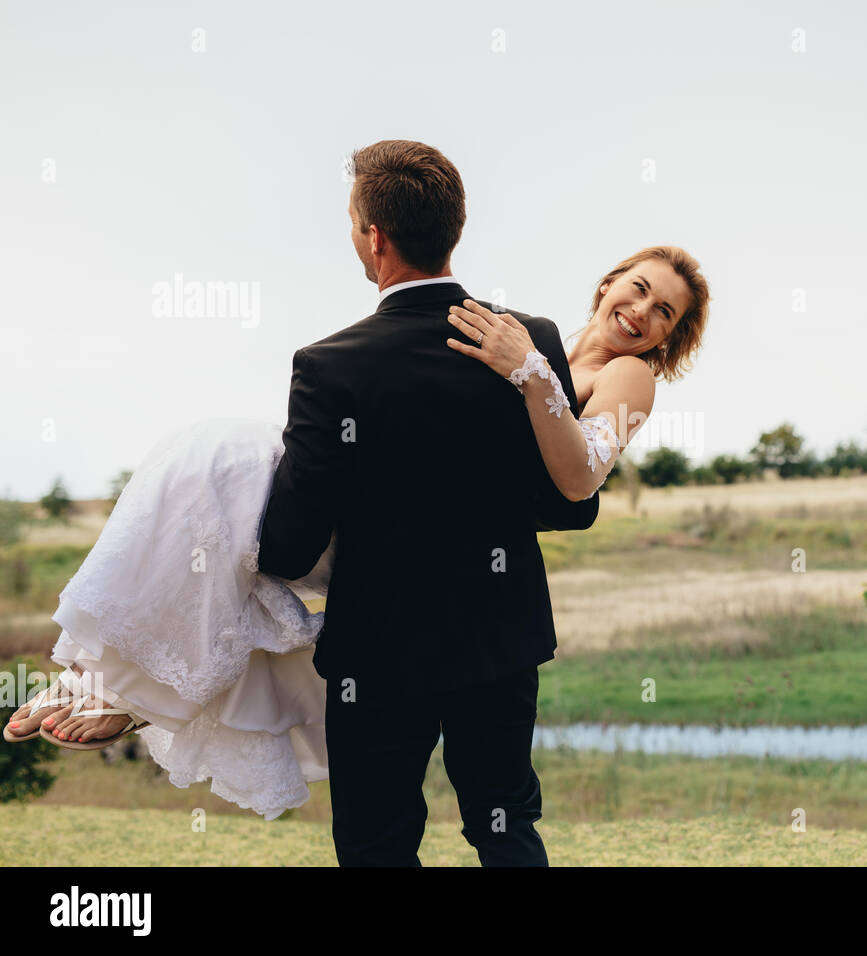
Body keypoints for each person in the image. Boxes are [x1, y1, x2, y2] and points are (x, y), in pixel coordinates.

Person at [5, 139, 711, 867]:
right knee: (502, 826)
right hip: (492, 632)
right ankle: (125, 680)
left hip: (387, 634)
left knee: (216, 478)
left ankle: (130, 680)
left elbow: (574, 486)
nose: (642, 311)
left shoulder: (533, 357)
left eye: (664, 312)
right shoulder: (529, 334)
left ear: (372, 236)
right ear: (608, 282)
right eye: (638, 287)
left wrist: (529, 375)